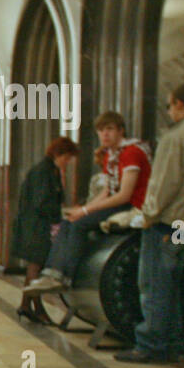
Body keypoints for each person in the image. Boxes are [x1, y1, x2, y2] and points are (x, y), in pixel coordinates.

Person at [117, 84, 184, 363]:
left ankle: (150, 343)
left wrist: (147, 216)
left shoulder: (176, 138)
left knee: (154, 282)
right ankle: (172, 341)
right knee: (172, 280)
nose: (169, 110)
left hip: (168, 222)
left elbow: (164, 184)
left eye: (170, 105)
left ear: (180, 104)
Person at [23, 112, 151, 295]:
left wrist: (85, 210)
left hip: (133, 205)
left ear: (121, 131)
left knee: (78, 225)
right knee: (68, 222)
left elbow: (124, 195)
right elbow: (107, 191)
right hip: (117, 202)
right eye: (101, 130)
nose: (104, 134)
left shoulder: (132, 153)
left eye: (110, 129)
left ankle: (65, 276)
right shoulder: (111, 155)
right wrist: (81, 209)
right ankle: (52, 274)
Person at [11, 136, 79, 324]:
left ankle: (26, 306)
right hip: (36, 226)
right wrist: (61, 213)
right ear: (58, 154)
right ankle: (37, 309)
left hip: (36, 225)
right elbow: (42, 201)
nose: (68, 162)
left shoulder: (48, 170)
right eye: (67, 158)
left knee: (35, 266)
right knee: (36, 265)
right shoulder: (44, 171)